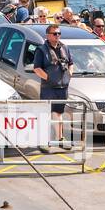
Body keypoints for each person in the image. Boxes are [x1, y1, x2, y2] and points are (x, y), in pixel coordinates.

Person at [32, 24, 74, 152]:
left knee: (58, 113)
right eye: (55, 34)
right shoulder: (41, 50)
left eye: (59, 33)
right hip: (48, 88)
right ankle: (43, 141)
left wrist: (69, 75)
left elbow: (71, 63)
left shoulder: (65, 48)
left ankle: (60, 138)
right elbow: (37, 68)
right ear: (48, 35)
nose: (57, 36)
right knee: (45, 115)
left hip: (62, 88)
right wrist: (49, 79)